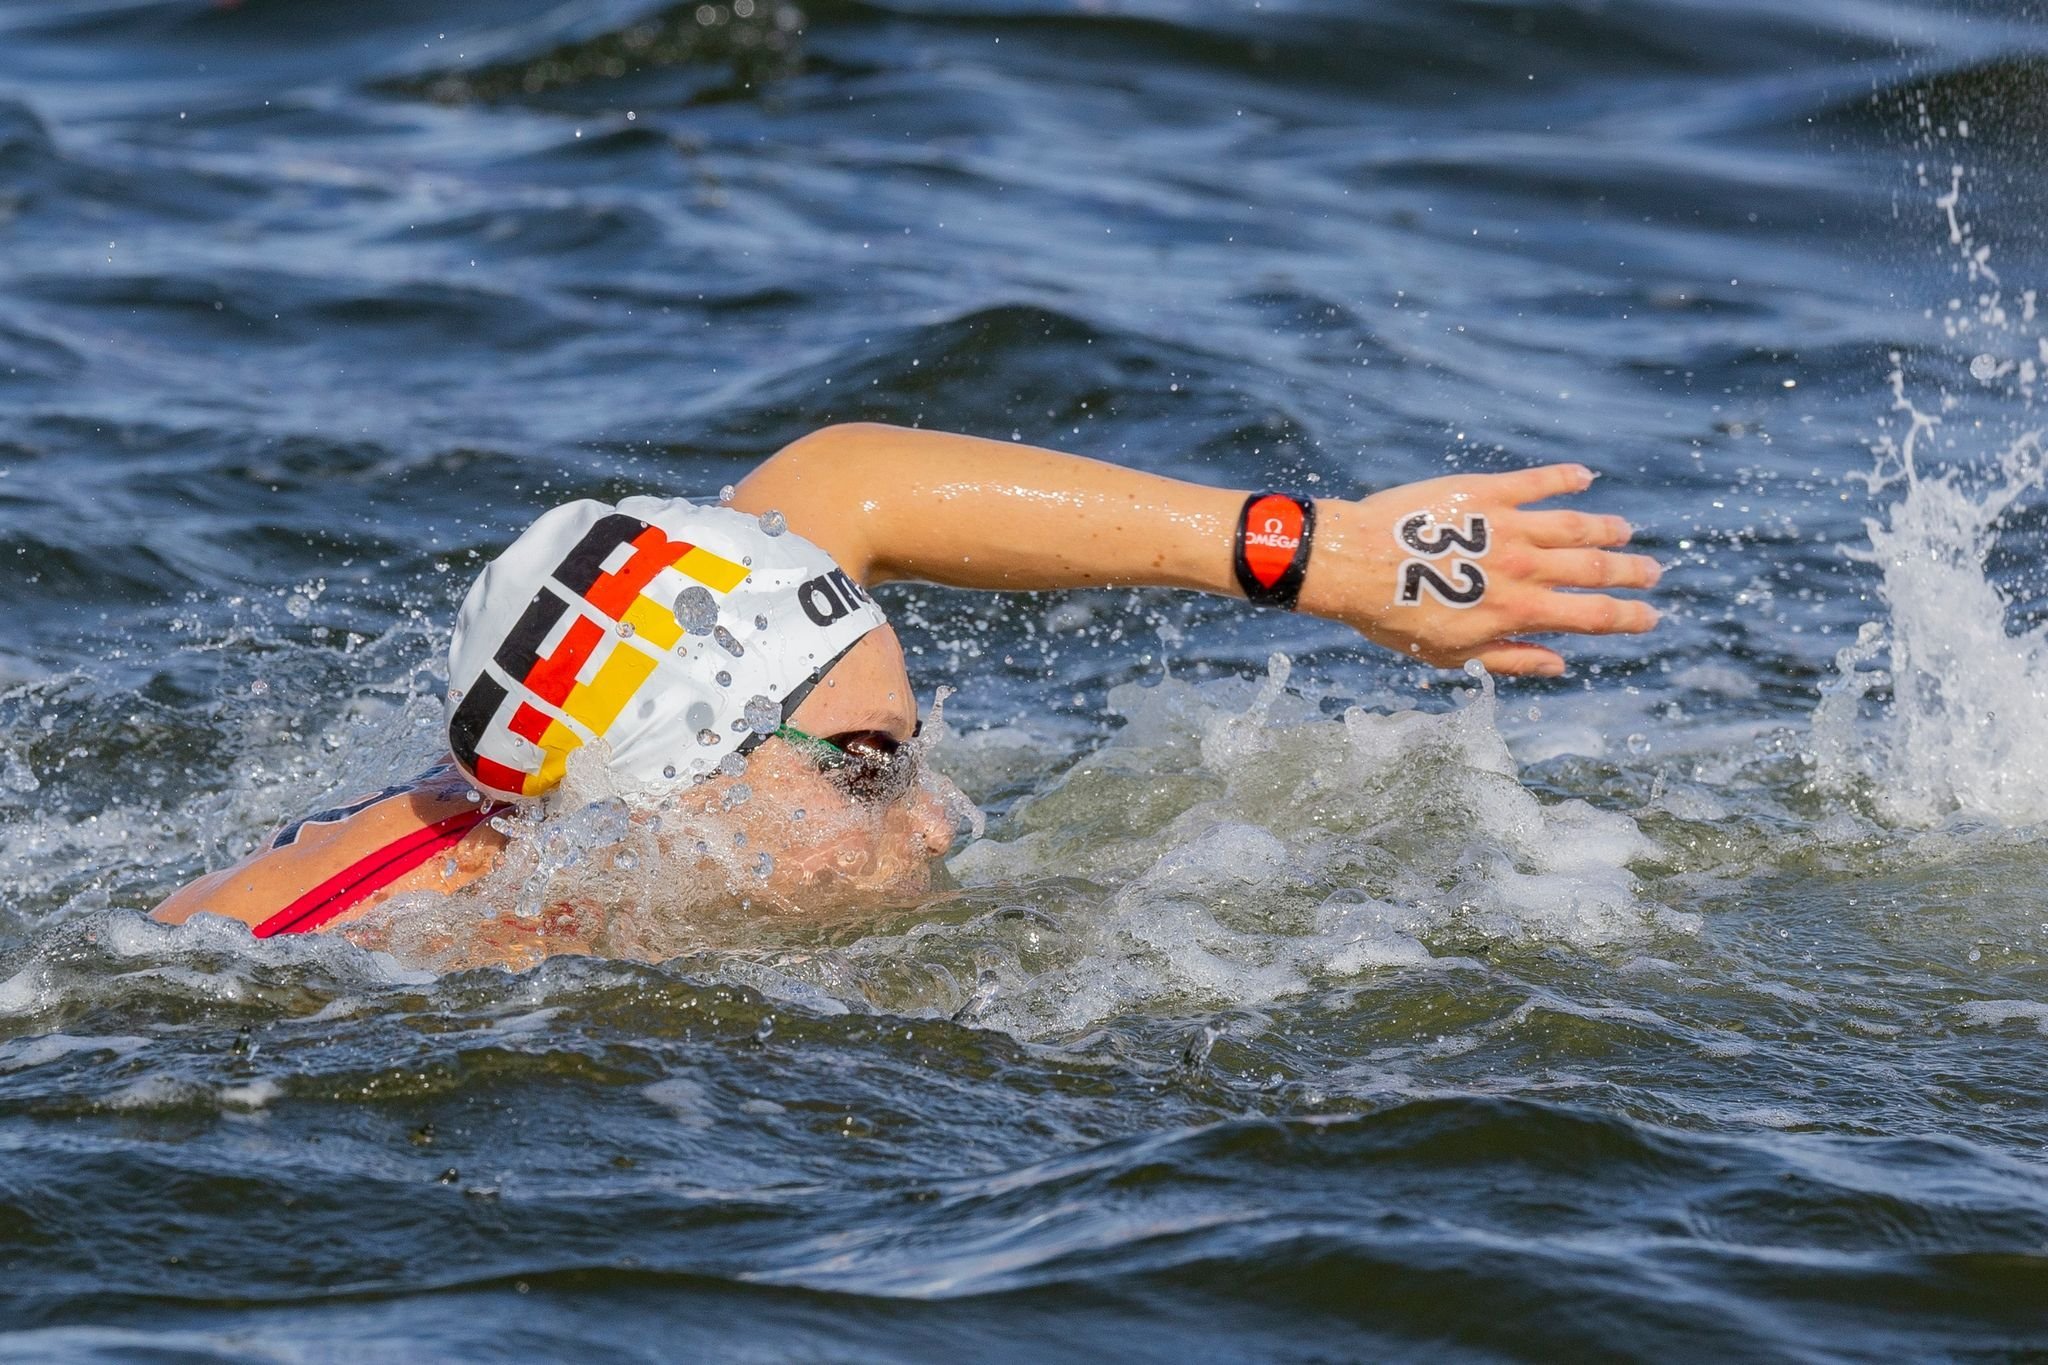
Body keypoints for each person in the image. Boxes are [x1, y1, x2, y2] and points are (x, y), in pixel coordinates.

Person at [150, 423, 1660, 961]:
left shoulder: (575, 757)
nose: (940, 821)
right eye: (869, 765)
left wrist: (1316, 557)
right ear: (663, 785)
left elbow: (840, 480)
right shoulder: (406, 978)